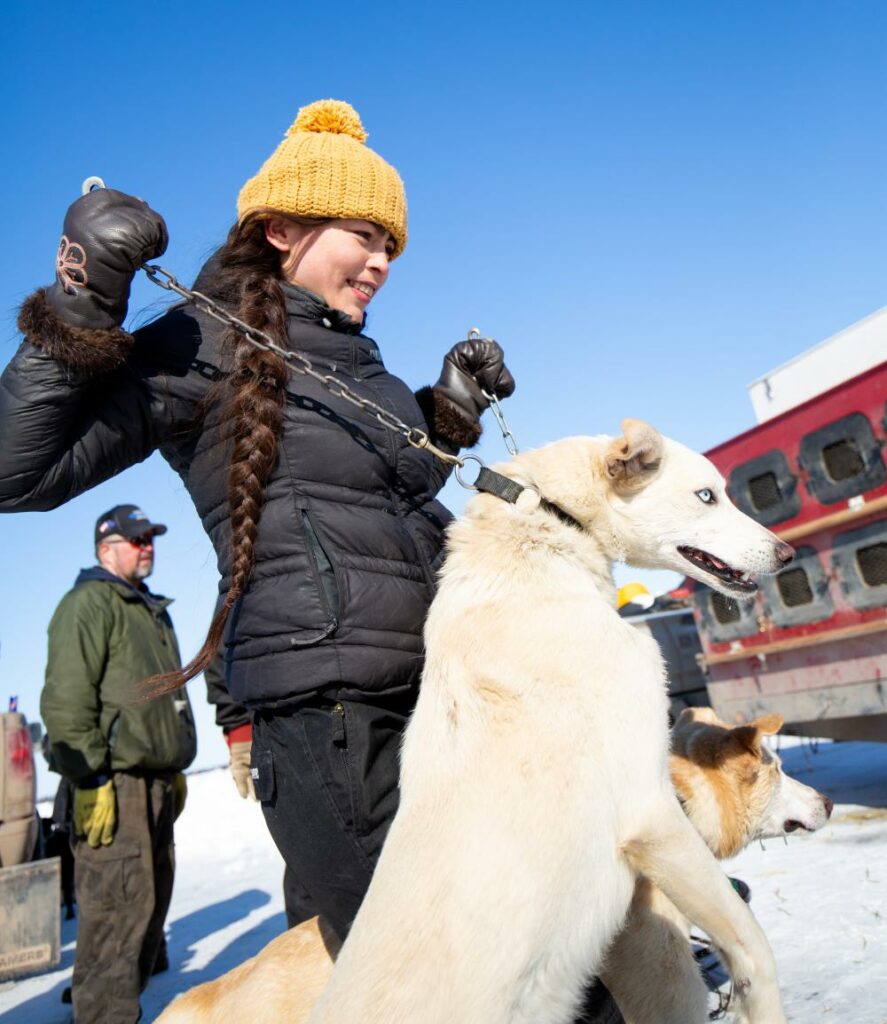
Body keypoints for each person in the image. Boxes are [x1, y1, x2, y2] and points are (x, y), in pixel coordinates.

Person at [0, 99, 621, 1022]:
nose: (382, 262)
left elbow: (385, 485)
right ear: (281, 229)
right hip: (329, 716)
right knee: (460, 972)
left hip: (440, 692)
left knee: (521, 944)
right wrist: (80, 301)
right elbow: (18, 474)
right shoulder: (200, 344)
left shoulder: (352, 355)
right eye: (364, 235)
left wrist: (446, 410)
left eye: (391, 245)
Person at [39, 504, 196, 1024]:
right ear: (106, 548)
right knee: (116, 914)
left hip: (154, 783)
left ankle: (110, 1006)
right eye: (137, 539)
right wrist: (90, 779)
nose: (148, 546)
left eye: (151, 537)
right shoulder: (88, 604)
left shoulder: (149, 609)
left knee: (147, 909)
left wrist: (173, 762)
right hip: (113, 784)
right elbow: (66, 701)